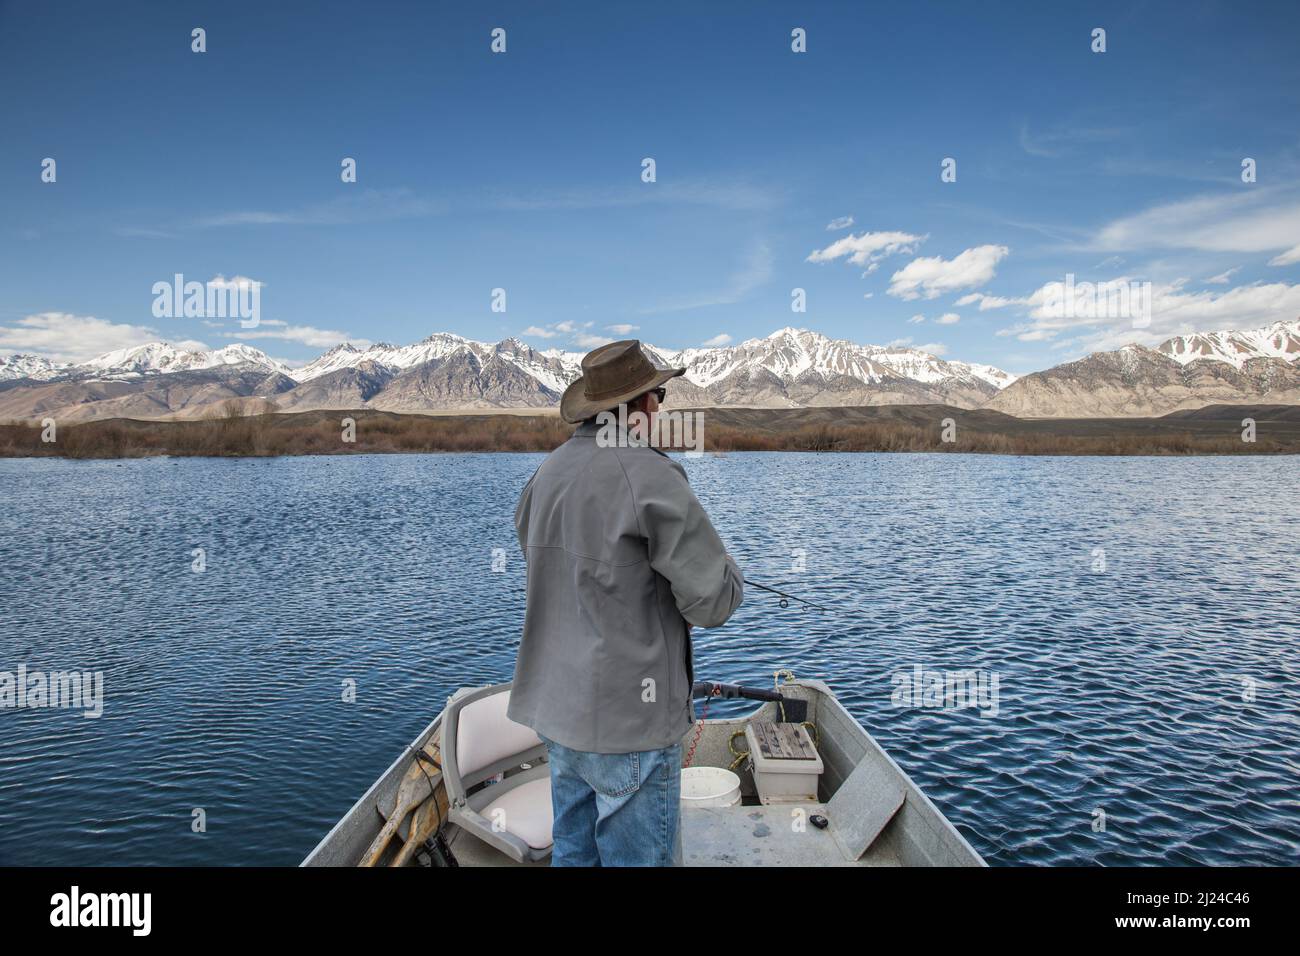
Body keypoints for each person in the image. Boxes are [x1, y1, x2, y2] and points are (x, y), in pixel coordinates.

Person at [508, 339, 744, 866]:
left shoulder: (545, 474)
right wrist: (725, 565)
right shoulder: (651, 475)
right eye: (657, 394)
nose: (660, 406)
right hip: (630, 724)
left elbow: (547, 563)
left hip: (559, 716)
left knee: (575, 853)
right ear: (638, 407)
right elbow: (713, 603)